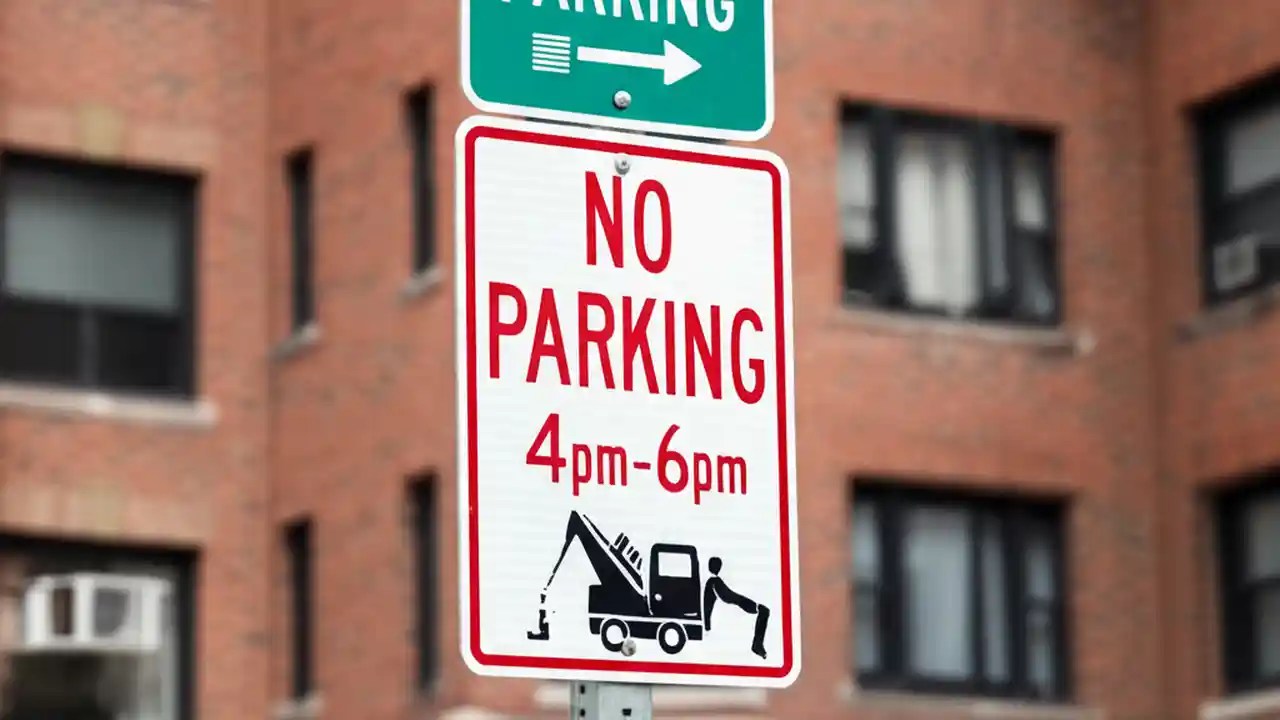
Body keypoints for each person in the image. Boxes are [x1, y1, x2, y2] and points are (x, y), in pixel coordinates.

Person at [702, 557, 769, 659]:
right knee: (764, 611)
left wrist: (707, 627)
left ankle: (757, 645)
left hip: (733, 609)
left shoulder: (710, 582)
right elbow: (731, 597)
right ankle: (757, 645)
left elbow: (708, 606)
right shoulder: (715, 582)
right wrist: (754, 606)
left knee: (763, 610)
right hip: (734, 611)